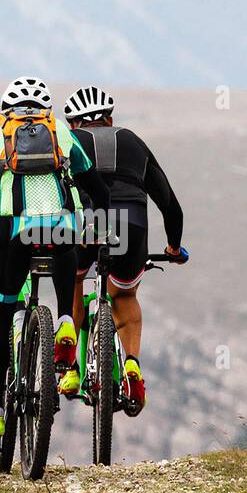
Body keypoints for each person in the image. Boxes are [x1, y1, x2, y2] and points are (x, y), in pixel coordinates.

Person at [0, 77, 110, 450]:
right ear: (46, 108)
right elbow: (98, 189)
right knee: (64, 242)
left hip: (11, 234)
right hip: (62, 232)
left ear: (6, 106)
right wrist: (97, 225)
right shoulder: (61, 131)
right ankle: (65, 323)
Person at [62, 86, 187, 409]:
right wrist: (174, 248)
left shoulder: (68, 142)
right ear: (111, 119)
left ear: (73, 123)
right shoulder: (133, 141)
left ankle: (71, 367)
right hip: (132, 227)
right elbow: (171, 207)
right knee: (125, 294)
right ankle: (131, 363)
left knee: (74, 279)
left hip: (86, 224)